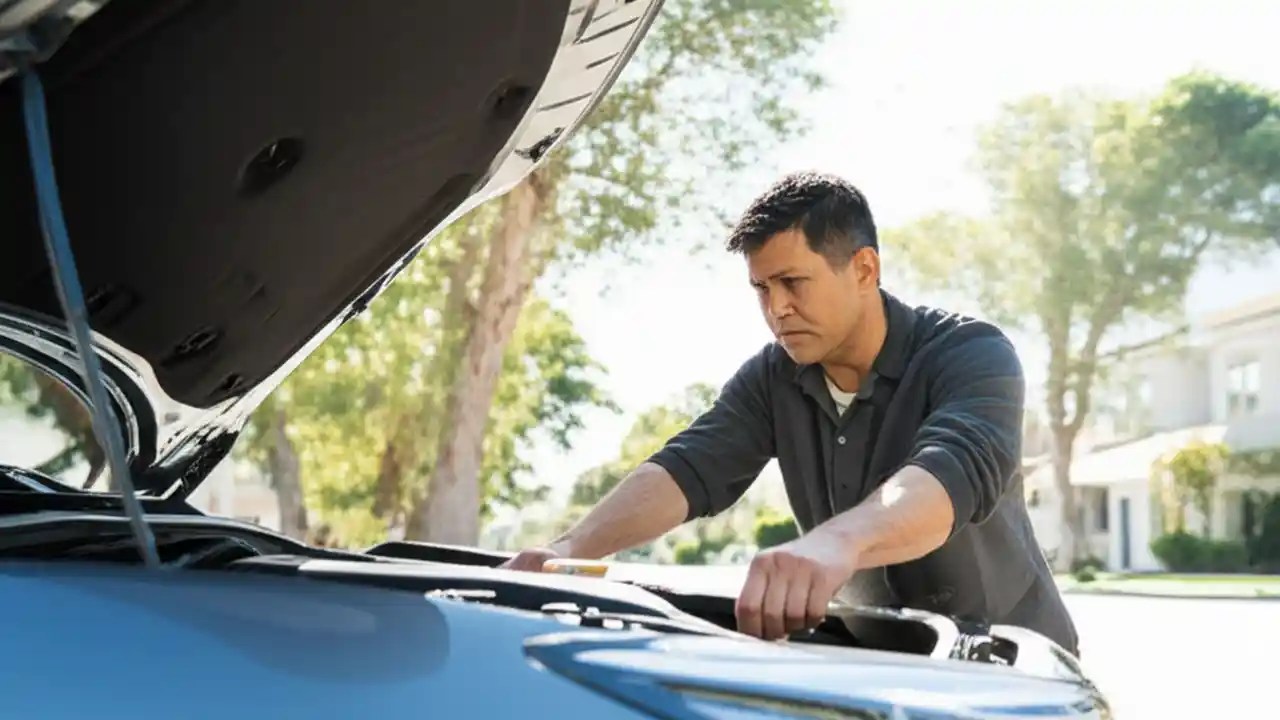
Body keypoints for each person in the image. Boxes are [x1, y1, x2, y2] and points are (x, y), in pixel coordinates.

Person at [503, 171, 1079, 655]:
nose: (777, 309)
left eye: (792, 282)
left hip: (1013, 668)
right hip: (877, 671)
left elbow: (953, 470)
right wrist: (567, 549)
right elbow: (687, 467)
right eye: (761, 289)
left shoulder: (970, 353)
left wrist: (835, 543)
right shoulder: (771, 378)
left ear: (864, 269)